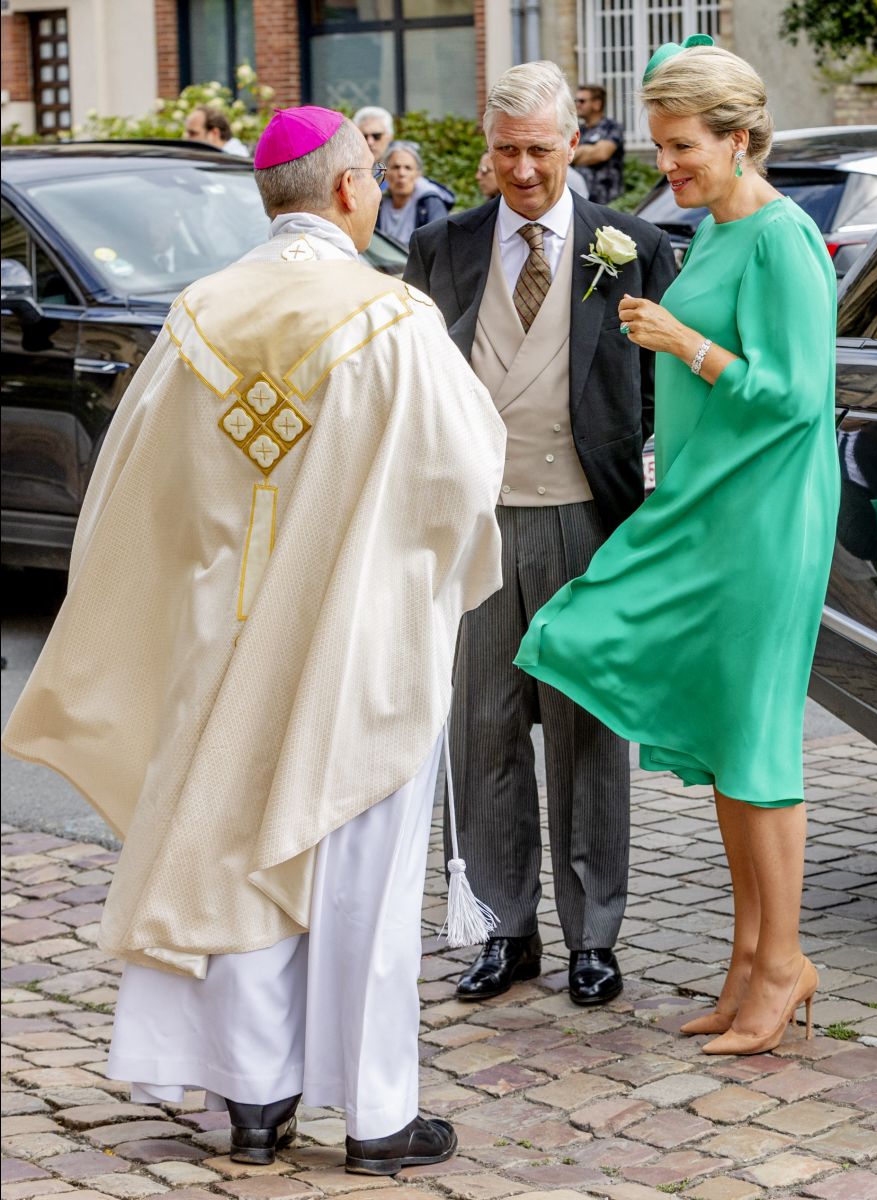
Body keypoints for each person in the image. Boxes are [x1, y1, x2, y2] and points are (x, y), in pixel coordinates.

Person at [3, 106, 506, 1168]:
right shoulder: (391, 318)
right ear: (341, 192)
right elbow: (461, 474)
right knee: (358, 884)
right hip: (352, 647)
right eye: (367, 172)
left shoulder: (196, 316)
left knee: (230, 856)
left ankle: (252, 1105)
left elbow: (135, 491)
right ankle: (375, 1120)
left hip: (223, 640)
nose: (373, 186)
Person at [515, 37, 839, 1055]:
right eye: (660, 148)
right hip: (706, 510)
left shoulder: (781, 239)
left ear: (740, 138)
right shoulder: (716, 234)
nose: (667, 168)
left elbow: (794, 397)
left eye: (682, 147)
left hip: (762, 522)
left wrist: (680, 345)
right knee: (719, 744)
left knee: (753, 743)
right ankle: (747, 963)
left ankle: (783, 965)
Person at [404, 61, 675, 1007]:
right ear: (488, 151)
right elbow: (416, 381)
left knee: (585, 729)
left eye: (541, 151)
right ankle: (501, 929)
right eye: (506, 151)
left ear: (573, 146)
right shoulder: (445, 246)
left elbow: (656, 394)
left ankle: (594, 935)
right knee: (480, 730)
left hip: (585, 522)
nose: (523, 170)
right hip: (473, 526)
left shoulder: (632, 245)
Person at [376, 140, 455, 247]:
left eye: (408, 168)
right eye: (396, 167)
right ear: (386, 173)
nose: (401, 173)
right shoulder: (379, 202)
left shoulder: (430, 202)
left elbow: (440, 245)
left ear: (418, 174)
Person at [572, 84, 624, 204]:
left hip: (608, 201)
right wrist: (588, 151)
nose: (577, 104)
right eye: (576, 101)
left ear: (597, 104)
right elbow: (564, 155)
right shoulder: (577, 130)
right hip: (581, 200)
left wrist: (574, 154)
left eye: (582, 101)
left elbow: (601, 154)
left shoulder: (611, 127)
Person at [184, 103, 249, 156]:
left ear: (214, 133)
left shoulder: (234, 161)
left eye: (193, 133)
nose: (186, 138)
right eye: (186, 132)